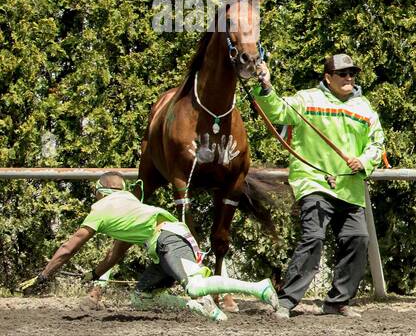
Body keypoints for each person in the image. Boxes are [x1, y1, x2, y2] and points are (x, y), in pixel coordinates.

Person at [18, 172, 276, 322]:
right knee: (141, 298)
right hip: (163, 245)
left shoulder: (100, 209)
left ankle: (258, 288)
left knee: (195, 285)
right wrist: (93, 275)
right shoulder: (129, 206)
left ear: (101, 191)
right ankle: (203, 309)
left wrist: (44, 275)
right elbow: (115, 254)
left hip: (170, 239)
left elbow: (69, 247)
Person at [253, 53, 386, 319]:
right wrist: (265, 86)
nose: (349, 78)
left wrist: (364, 161)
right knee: (313, 237)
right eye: (342, 74)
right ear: (328, 77)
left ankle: (337, 302)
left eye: (352, 74)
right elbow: (277, 109)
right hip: (314, 182)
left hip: (350, 188)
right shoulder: (306, 99)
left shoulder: (365, 108)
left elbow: (377, 143)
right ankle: (287, 301)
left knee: (358, 239)